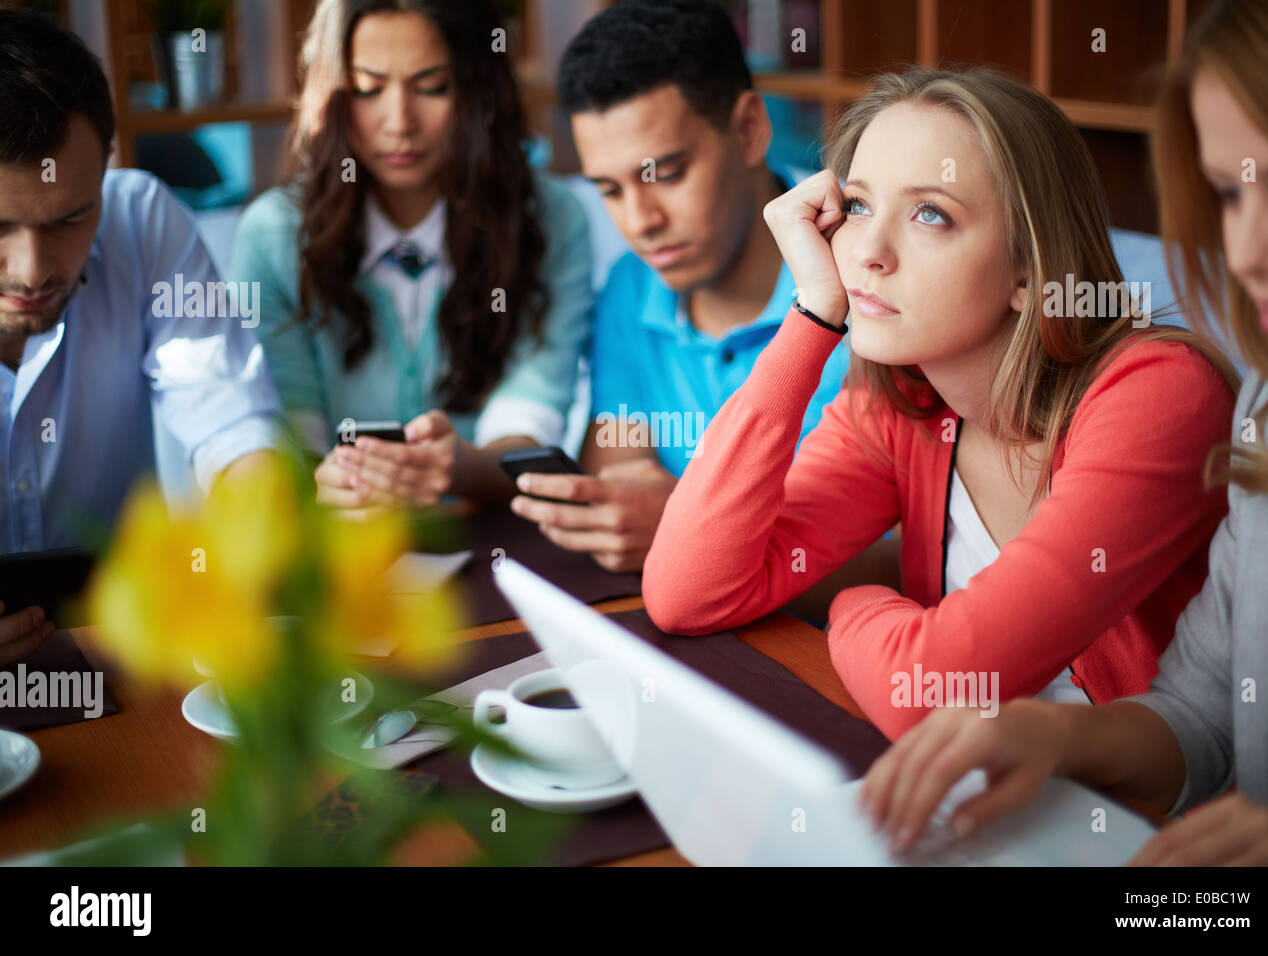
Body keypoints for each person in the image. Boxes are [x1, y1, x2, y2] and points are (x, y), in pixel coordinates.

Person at [642, 66, 1239, 741]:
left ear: (1027, 268)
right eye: (859, 206)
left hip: (1149, 826)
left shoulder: (1160, 395)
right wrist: (810, 316)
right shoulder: (899, 401)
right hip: (974, 799)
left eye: (931, 214)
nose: (866, 251)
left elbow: (928, 692)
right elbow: (685, 592)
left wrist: (857, 605)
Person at [859, 0, 1268, 865]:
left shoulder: (1166, 389)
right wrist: (1052, 740)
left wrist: (850, 603)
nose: (1247, 251)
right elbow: (1205, 710)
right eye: (1228, 194)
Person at [507, 0, 860, 579]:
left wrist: (684, 523)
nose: (640, 220)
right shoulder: (630, 286)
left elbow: (904, 554)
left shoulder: (867, 280)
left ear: (748, 129)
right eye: (610, 191)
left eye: (664, 174)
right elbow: (619, 471)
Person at [229, 0, 592, 509]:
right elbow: (290, 432)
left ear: (477, 86)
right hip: (343, 550)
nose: (399, 122)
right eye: (367, 89)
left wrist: (463, 468)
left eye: (432, 87)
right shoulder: (273, 234)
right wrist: (323, 481)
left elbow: (528, 422)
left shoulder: (552, 221)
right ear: (330, 91)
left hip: (491, 536)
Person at [0, 10, 281, 665]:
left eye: (72, 216)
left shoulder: (141, 219)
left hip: (118, 651)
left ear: (107, 162)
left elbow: (232, 423)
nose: (33, 269)